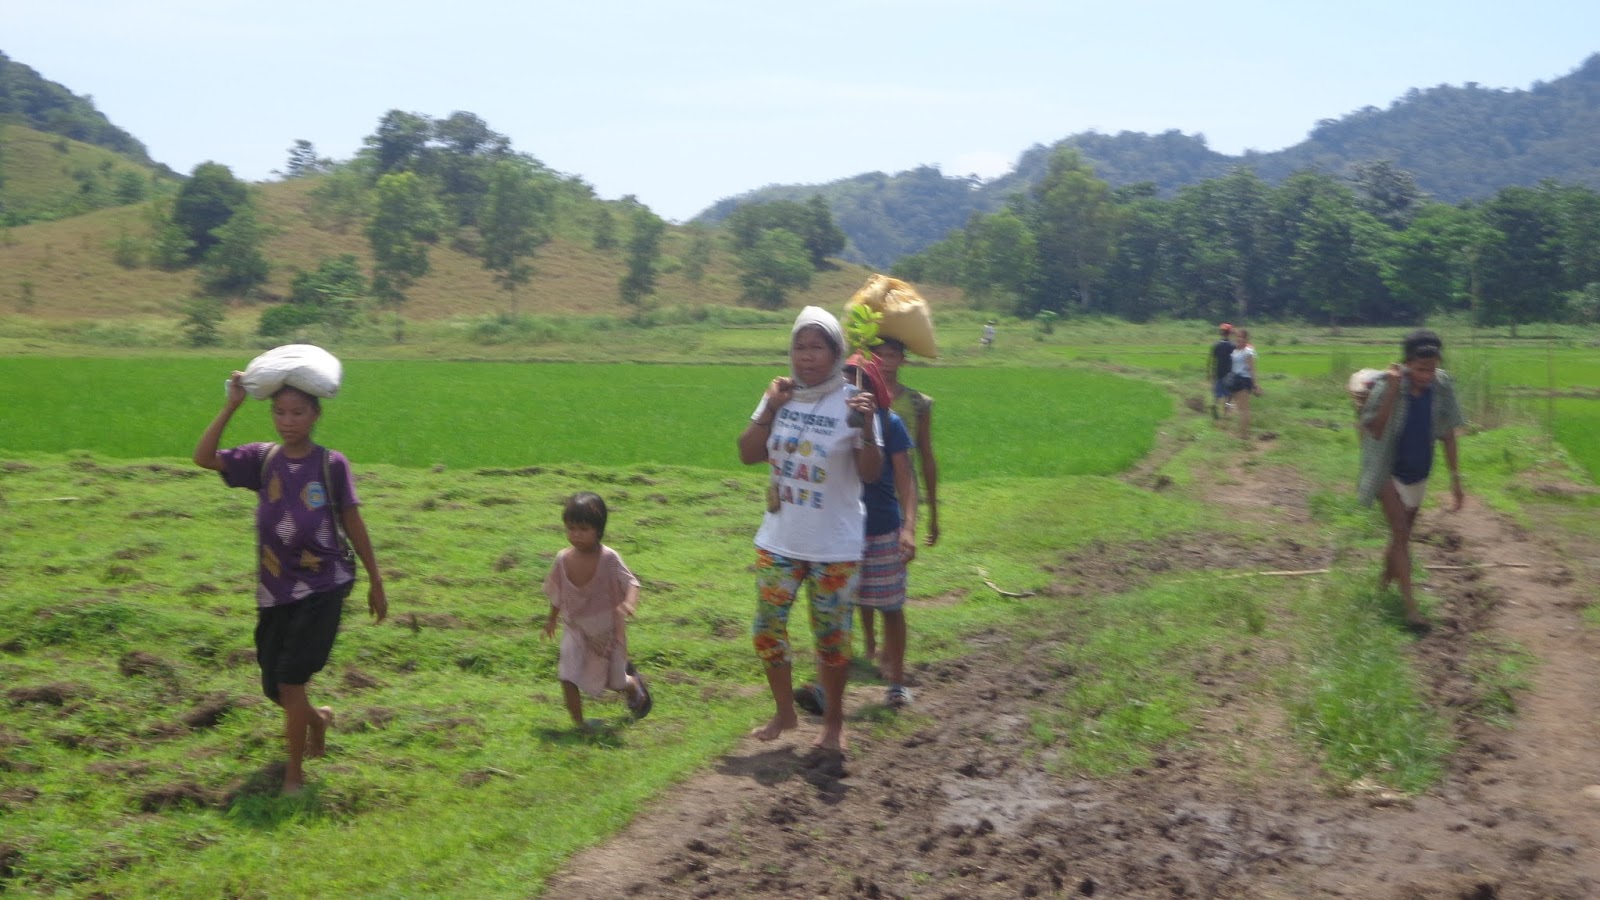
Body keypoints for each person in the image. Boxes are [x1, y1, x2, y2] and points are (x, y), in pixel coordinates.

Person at [194, 374, 388, 795]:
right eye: (280, 412)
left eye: (298, 412)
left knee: (290, 680)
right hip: (275, 588)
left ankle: (294, 776)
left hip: (324, 585)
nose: (288, 421)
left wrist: (376, 578)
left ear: (315, 414)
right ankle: (318, 720)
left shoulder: (330, 464)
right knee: (274, 687)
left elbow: (352, 520)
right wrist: (231, 405)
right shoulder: (261, 459)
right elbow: (203, 458)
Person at [737, 306, 883, 752]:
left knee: (832, 640)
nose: (806, 356)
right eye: (799, 347)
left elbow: (871, 473)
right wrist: (769, 408)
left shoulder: (854, 403)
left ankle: (834, 724)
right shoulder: (781, 395)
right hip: (779, 539)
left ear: (836, 353)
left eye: (817, 347)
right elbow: (747, 453)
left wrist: (868, 427)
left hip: (834, 546)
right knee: (766, 630)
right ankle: (784, 713)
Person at [1357, 329, 1466, 633]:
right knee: (1401, 532)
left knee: (1400, 538)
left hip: (1418, 469)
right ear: (1406, 365)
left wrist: (1455, 479)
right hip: (1386, 468)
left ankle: (1381, 589)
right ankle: (1411, 609)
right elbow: (1374, 429)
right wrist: (1393, 390)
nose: (1426, 376)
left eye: (1431, 369)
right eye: (1420, 370)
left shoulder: (1441, 386)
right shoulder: (1388, 385)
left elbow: (1448, 434)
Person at [855, 335, 939, 669]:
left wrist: (930, 512)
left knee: (889, 582)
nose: (887, 362)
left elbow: (924, 456)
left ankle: (891, 654)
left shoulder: (917, 403)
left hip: (896, 494)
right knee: (861, 578)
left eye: (893, 355)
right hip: (861, 492)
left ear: (903, 360)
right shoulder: (855, 398)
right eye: (880, 356)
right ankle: (869, 643)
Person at [542, 492, 652, 728]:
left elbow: (632, 582)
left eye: (583, 529)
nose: (576, 535)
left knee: (615, 682)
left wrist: (629, 603)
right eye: (571, 528)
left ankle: (632, 685)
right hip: (575, 629)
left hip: (607, 632)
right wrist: (551, 619)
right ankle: (580, 724)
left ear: (598, 529)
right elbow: (557, 592)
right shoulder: (562, 559)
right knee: (567, 674)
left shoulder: (609, 558)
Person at [844, 358, 918, 707]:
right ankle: (834, 684)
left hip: (881, 528)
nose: (851, 391)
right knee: (837, 607)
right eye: (844, 385)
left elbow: (905, 478)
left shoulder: (889, 423)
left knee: (890, 605)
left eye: (858, 384)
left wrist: (909, 528)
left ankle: (897, 681)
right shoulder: (829, 423)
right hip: (839, 530)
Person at [1228, 327, 1262, 440]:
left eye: (1242, 337)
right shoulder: (1235, 351)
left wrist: (1255, 385)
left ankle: (1244, 434)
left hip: (1244, 380)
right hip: (1235, 380)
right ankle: (1241, 432)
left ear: (1246, 339)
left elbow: (1252, 369)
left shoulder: (1248, 352)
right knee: (1239, 408)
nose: (1239, 339)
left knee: (1244, 409)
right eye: (1238, 336)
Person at [1210, 323, 1235, 418]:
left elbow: (1213, 360)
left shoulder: (1216, 345)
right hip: (1229, 373)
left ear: (1221, 333)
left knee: (1218, 392)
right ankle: (1226, 411)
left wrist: (1211, 373)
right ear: (1230, 333)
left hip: (1218, 372)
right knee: (1229, 394)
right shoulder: (1233, 346)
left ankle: (1215, 404)